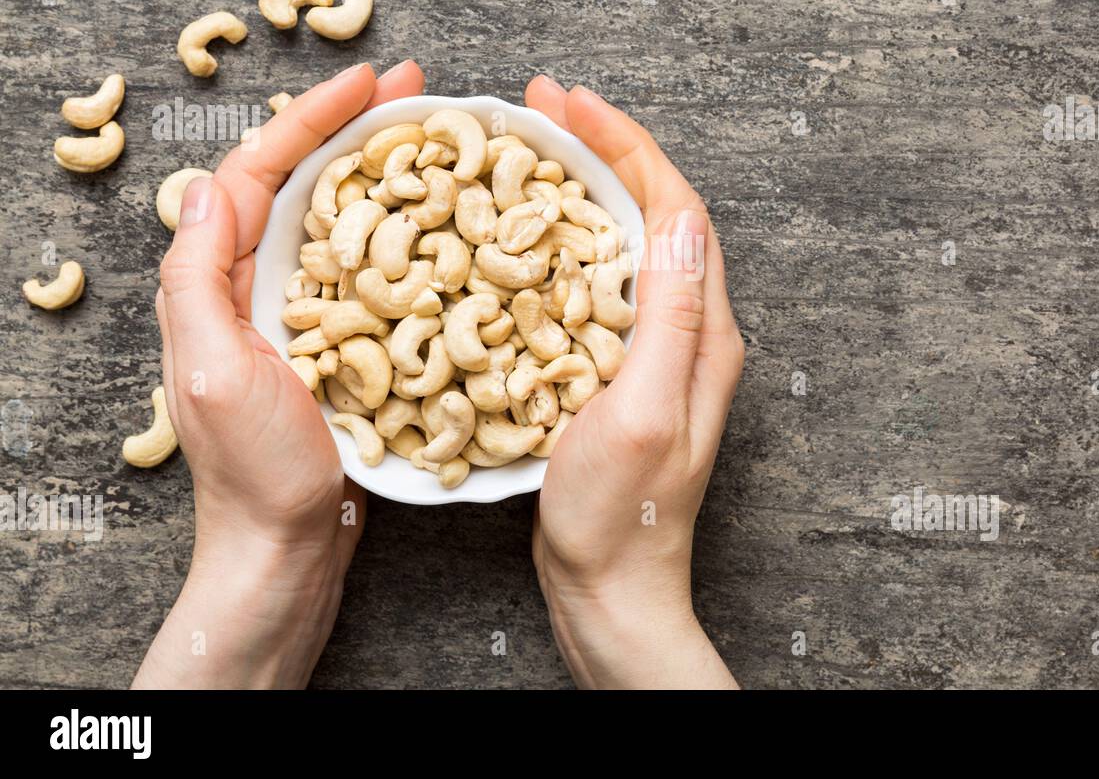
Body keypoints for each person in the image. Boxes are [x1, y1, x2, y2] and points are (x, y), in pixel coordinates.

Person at [131, 62, 745, 689]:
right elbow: (440, 339)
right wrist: (610, 586)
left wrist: (270, 543)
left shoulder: (455, 279)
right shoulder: (408, 290)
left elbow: (470, 338)